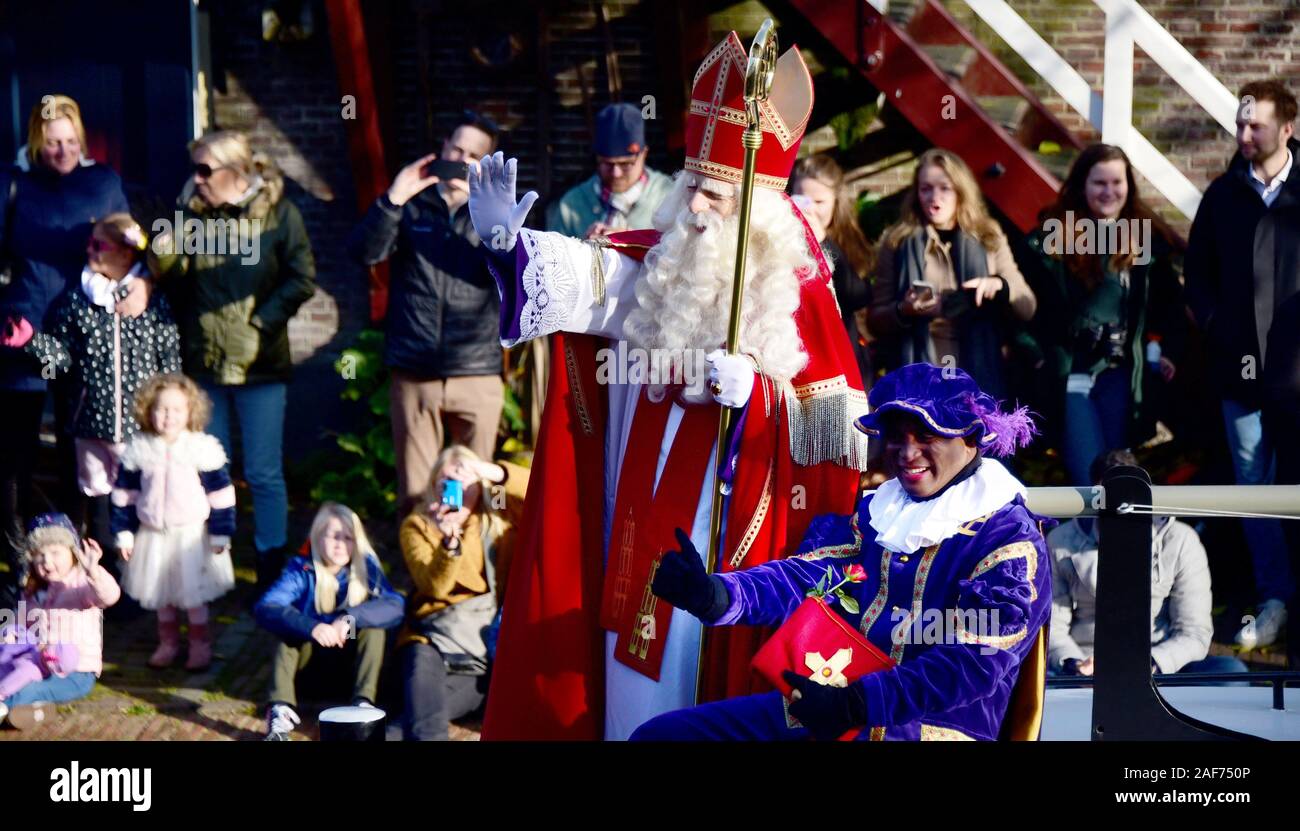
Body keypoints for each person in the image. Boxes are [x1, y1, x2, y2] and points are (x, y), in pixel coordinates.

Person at [469, 32, 873, 739]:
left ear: (758, 208)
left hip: (737, 544)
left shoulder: (799, 294)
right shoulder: (657, 266)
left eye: (717, 196)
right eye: (691, 189)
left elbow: (839, 436)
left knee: (704, 679)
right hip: (635, 531)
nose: (695, 210)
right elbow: (591, 286)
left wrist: (759, 398)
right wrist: (509, 245)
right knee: (633, 685)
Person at [631, 362, 1051, 741]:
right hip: (840, 709)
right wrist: (715, 594)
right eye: (895, 438)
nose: (906, 454)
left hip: (931, 727)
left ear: (972, 438)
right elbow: (808, 577)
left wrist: (857, 703)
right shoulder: (880, 512)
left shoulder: (1006, 537)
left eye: (926, 436)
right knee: (665, 735)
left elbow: (974, 662)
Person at [152, 130, 317, 598]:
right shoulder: (193, 214)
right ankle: (211, 563)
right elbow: (168, 273)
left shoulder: (280, 215)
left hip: (258, 364)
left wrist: (262, 321)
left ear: (235, 171)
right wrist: (176, 227)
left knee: (263, 471)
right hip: (204, 364)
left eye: (205, 170)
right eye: (195, 170)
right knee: (208, 469)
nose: (197, 179)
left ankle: (270, 562)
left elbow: (302, 276)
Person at [0, 95, 141, 595]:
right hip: (25, 334)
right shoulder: (14, 183)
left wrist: (143, 280)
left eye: (71, 140)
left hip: (85, 334)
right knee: (15, 454)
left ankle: (82, 560)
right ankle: (20, 561)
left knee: (80, 453)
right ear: (38, 142)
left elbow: (128, 245)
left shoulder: (102, 183)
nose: (62, 150)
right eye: (53, 141)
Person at [1185, 79, 1299, 650]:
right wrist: (1215, 326)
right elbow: (1196, 276)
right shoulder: (1222, 196)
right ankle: (1274, 598)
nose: (1244, 134)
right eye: (1239, 124)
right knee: (1253, 490)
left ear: (1288, 128)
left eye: (1255, 124)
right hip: (1242, 377)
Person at [346, 111, 505, 516]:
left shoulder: (494, 214)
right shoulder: (411, 207)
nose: (460, 157)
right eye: (456, 147)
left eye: (473, 154)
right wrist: (394, 198)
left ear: (484, 164)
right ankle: (421, 577)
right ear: (443, 146)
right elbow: (364, 253)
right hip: (415, 370)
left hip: (477, 370)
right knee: (416, 491)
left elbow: (516, 275)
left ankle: (471, 573)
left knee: (474, 490)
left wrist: (491, 216)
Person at [5, 214, 182, 557]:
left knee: (141, 501)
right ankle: (103, 572)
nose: (90, 250)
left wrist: (172, 410)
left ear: (126, 253)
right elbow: (62, 365)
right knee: (98, 505)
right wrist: (32, 341)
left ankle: (138, 582)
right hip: (91, 425)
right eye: (90, 243)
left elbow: (168, 358)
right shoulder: (75, 302)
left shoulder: (152, 301)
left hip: (141, 426)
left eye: (100, 245)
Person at [1015, 144, 1183, 484]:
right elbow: (1022, 306)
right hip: (1073, 375)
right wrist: (1037, 356)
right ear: (1081, 186)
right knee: (1089, 477)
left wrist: (1166, 350)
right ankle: (1089, 538)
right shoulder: (1051, 241)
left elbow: (1171, 307)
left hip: (1123, 375)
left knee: (1120, 478)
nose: (1109, 192)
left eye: (1116, 183)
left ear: (1128, 187)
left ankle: (1116, 539)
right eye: (1099, 183)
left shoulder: (1145, 241)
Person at [1049, 449, 1249, 680]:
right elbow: (1052, 627)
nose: (1121, 511)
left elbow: (1194, 632)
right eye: (1110, 501)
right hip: (1085, 664)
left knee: (1231, 673)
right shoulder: (1060, 541)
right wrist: (1074, 663)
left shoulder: (1181, 540)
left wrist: (1151, 663)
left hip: (1159, 665)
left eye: (1129, 500)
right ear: (1095, 498)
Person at [869, 148, 1035, 400]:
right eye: (925, 188)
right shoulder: (897, 241)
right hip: (921, 370)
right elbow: (875, 319)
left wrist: (998, 286)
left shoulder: (988, 235)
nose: (934, 198)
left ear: (960, 191)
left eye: (945, 188)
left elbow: (1027, 305)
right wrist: (904, 310)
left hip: (978, 370)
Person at [397, 445, 528, 740]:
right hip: (434, 636)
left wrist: (493, 471)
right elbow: (434, 587)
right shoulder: (419, 524)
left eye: (462, 478)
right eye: (446, 480)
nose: (453, 487)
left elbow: (543, 489)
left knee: (412, 721)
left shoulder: (499, 512)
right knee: (424, 719)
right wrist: (449, 546)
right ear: (434, 485)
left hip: (484, 646)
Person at [110, 373, 237, 671]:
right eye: (161, 409)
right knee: (161, 591)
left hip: (191, 535)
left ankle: (199, 644)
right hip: (153, 534)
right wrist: (124, 534)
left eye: (177, 410)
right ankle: (167, 643)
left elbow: (221, 495)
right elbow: (124, 496)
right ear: (148, 411)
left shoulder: (202, 449)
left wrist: (220, 534)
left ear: (191, 412)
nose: (168, 416)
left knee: (193, 593)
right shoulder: (139, 450)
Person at [253, 502, 403, 741]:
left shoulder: (366, 568)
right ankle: (280, 713)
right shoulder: (301, 569)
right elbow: (267, 607)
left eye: (348, 538)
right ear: (317, 536)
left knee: (373, 630)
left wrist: (350, 618)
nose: (341, 545)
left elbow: (396, 605)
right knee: (286, 635)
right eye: (334, 536)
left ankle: (364, 705)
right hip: (311, 665)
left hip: (350, 664)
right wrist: (312, 627)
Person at [0, 513, 120, 730]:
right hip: (37, 664)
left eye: (55, 552)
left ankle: (15, 704)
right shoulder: (32, 592)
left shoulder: (80, 587)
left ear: (72, 553)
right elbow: (20, 628)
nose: (47, 562)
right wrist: (11, 634)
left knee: (30, 688)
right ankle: (36, 711)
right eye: (39, 555)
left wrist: (93, 571)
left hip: (76, 673)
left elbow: (108, 596)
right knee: (10, 675)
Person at [791, 154, 876, 391]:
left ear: (836, 202)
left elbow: (854, 295)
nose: (810, 210)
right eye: (803, 200)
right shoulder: (782, 240)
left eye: (819, 202)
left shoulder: (849, 242)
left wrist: (823, 242)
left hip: (842, 355)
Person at [547, 102, 674, 240]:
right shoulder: (571, 205)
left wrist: (634, 242)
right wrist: (582, 250)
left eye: (625, 164)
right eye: (607, 163)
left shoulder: (669, 196)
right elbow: (551, 258)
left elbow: (684, 254)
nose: (616, 173)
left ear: (644, 154)